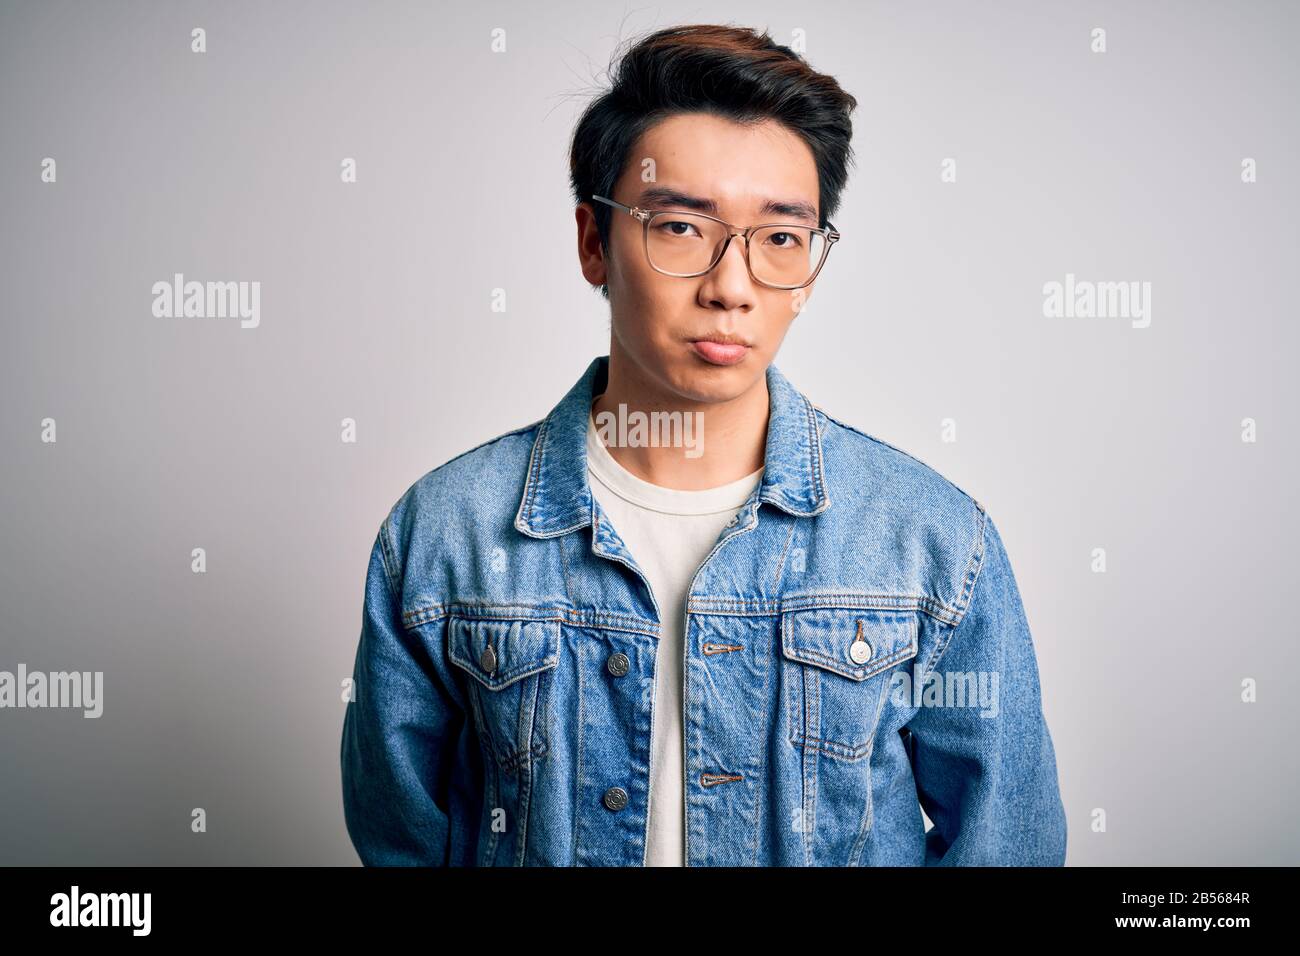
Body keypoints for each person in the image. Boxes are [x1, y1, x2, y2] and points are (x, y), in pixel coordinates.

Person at [340, 23, 1067, 867]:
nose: (732, 286)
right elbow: (401, 839)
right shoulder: (445, 533)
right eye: (682, 228)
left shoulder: (932, 540)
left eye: (781, 237)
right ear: (592, 243)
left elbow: (1007, 842)